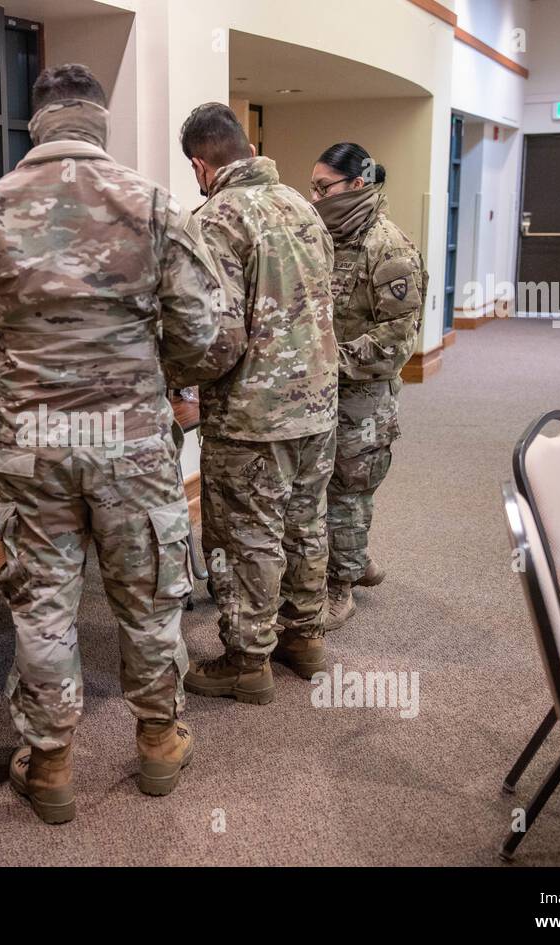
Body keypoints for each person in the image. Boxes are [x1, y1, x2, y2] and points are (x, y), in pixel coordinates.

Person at [0, 64, 241, 824]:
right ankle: (160, 742)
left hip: (34, 447)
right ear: (101, 120)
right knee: (150, 596)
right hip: (132, 443)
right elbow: (205, 338)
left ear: (35, 123)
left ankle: (53, 761)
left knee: (44, 605)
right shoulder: (156, 206)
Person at [175, 104, 338, 689]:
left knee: (247, 534)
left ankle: (247, 663)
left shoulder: (217, 218)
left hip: (252, 415)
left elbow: (215, 338)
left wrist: (176, 379)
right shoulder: (301, 205)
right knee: (304, 522)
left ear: (201, 163)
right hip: (317, 404)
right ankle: (305, 638)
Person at [308, 143, 427, 630]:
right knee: (322, 487)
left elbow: (398, 339)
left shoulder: (387, 246)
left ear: (357, 185)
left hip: (363, 395)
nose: (313, 196)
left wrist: (327, 359)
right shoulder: (323, 236)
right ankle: (355, 558)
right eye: (312, 186)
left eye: (323, 187)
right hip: (322, 391)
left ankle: (341, 584)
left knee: (350, 487)